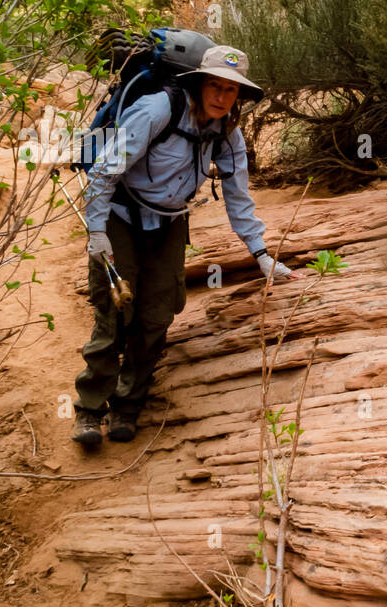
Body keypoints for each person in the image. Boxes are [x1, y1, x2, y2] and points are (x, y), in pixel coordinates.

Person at [71, 45, 295, 447]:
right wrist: (96, 231)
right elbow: (106, 169)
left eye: (231, 91)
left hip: (170, 223)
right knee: (115, 312)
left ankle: (128, 404)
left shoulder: (228, 132)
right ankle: (90, 409)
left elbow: (238, 195)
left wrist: (260, 253)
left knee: (157, 316)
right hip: (121, 217)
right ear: (199, 83)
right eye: (215, 86)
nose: (222, 97)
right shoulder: (158, 110)